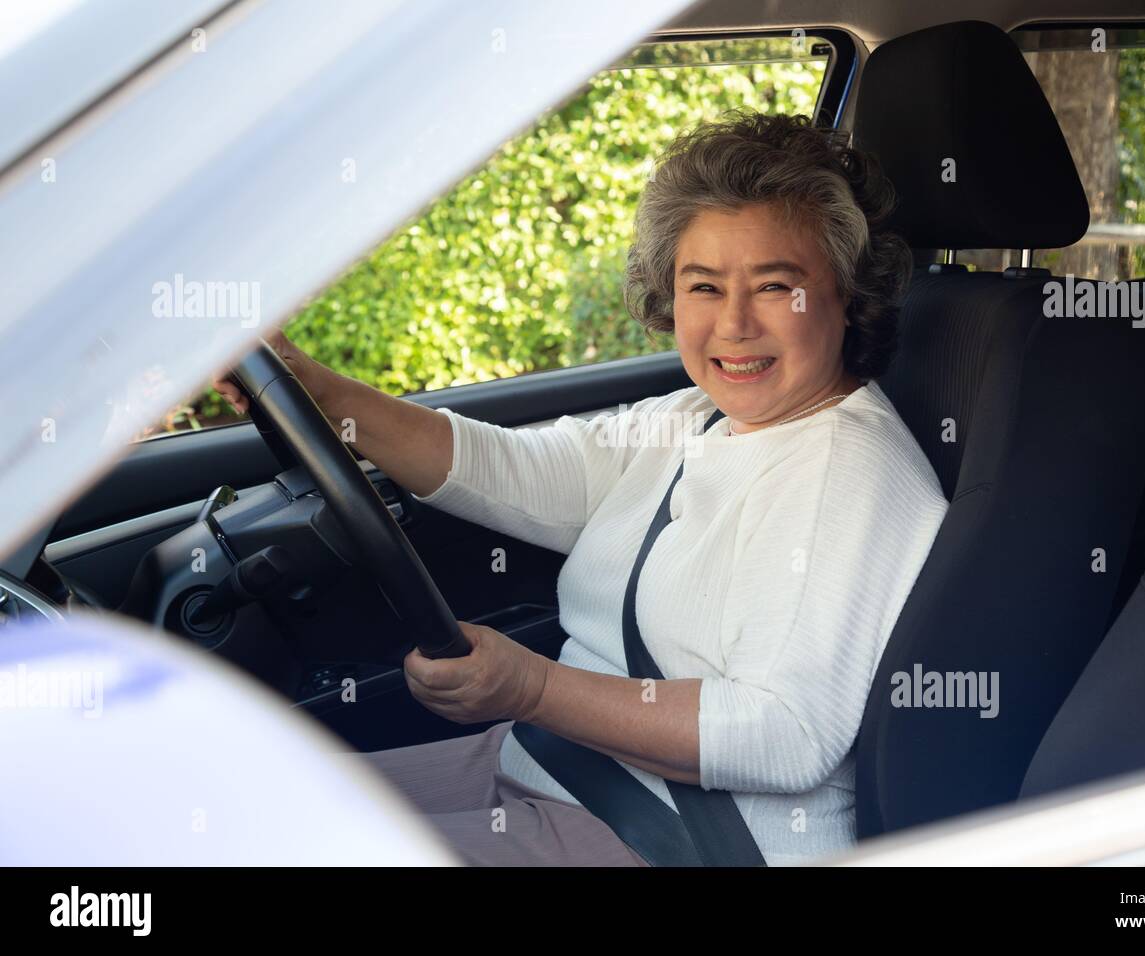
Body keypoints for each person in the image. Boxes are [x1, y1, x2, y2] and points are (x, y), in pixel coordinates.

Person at [215, 111, 949, 866]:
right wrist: (313, 386)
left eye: (775, 286)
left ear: (844, 296)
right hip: (550, 768)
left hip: (670, 840)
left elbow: (783, 734)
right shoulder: (695, 418)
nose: (733, 324)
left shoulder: (847, 472)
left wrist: (531, 687)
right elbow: (514, 473)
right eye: (703, 286)